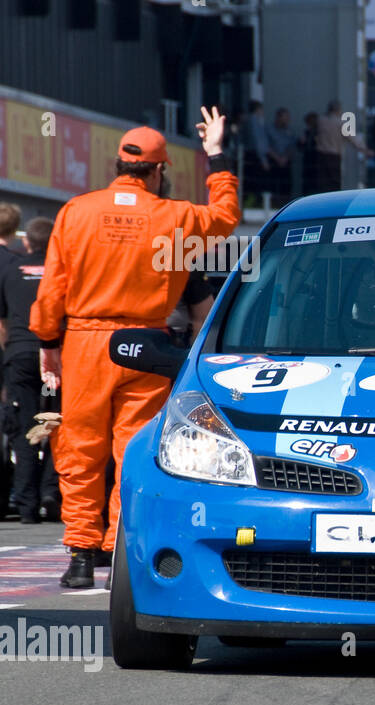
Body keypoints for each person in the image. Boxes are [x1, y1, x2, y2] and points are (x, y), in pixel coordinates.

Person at [30, 109, 240, 588]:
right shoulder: (176, 216)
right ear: (159, 170)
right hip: (145, 343)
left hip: (84, 342)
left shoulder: (75, 212)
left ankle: (81, 555)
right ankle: (120, 550)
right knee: (133, 449)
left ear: (118, 165)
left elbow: (53, 289)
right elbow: (226, 217)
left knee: (80, 448)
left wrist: (48, 341)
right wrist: (215, 154)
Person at [0, 217, 60, 523]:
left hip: (20, 357)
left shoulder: (11, 269)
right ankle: (51, 492)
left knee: (24, 429)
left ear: (27, 242)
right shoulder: (63, 270)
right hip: (55, 360)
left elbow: (3, 322)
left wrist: (9, 353)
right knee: (55, 426)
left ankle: (25, 505)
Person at [315, 101, 371, 193]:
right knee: (334, 183)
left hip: (320, 156)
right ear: (338, 110)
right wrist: (365, 150)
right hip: (334, 156)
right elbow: (353, 138)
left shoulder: (321, 120)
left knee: (322, 184)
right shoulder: (340, 123)